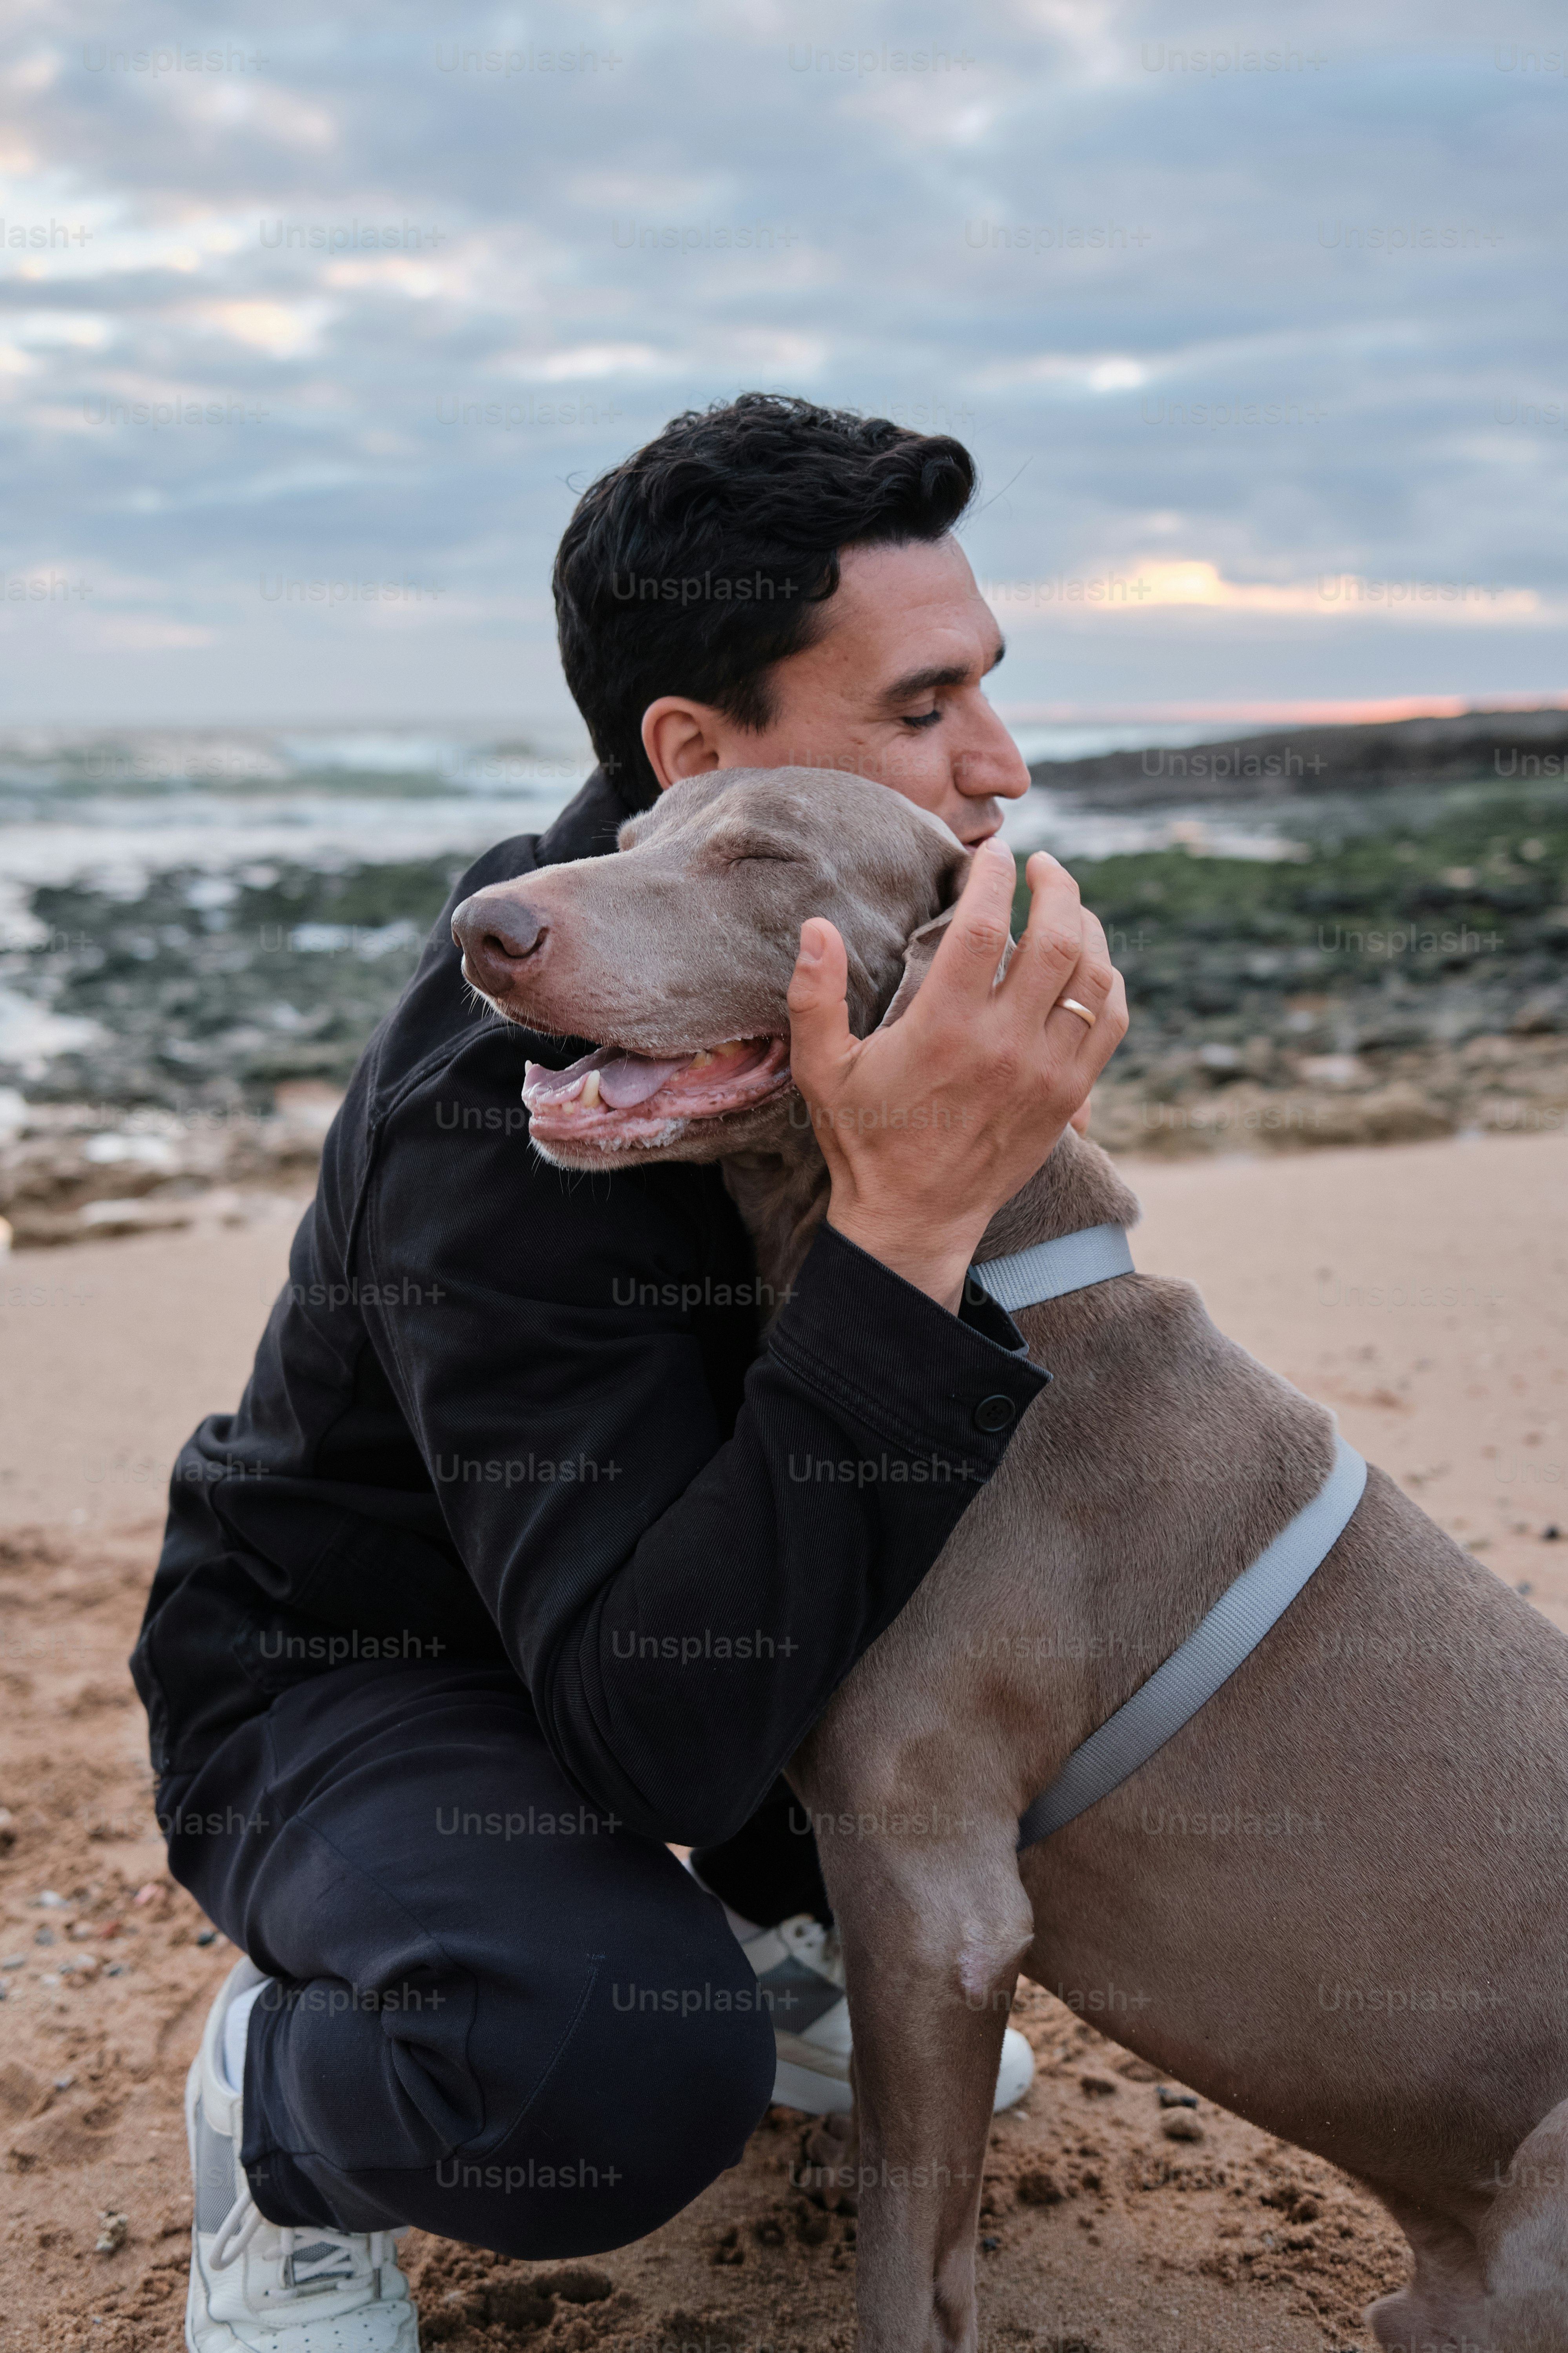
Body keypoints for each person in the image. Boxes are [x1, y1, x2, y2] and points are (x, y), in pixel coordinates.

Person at [138, 394, 1128, 2351]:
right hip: (360, 1677)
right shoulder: (499, 1110)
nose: (999, 768)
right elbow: (646, 1726)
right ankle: (280, 2117)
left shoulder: (839, 967)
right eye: (925, 712)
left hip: (676, 1597)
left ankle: (775, 1917)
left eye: (988, 694)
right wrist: (909, 1234)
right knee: (601, 2063)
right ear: (693, 757)